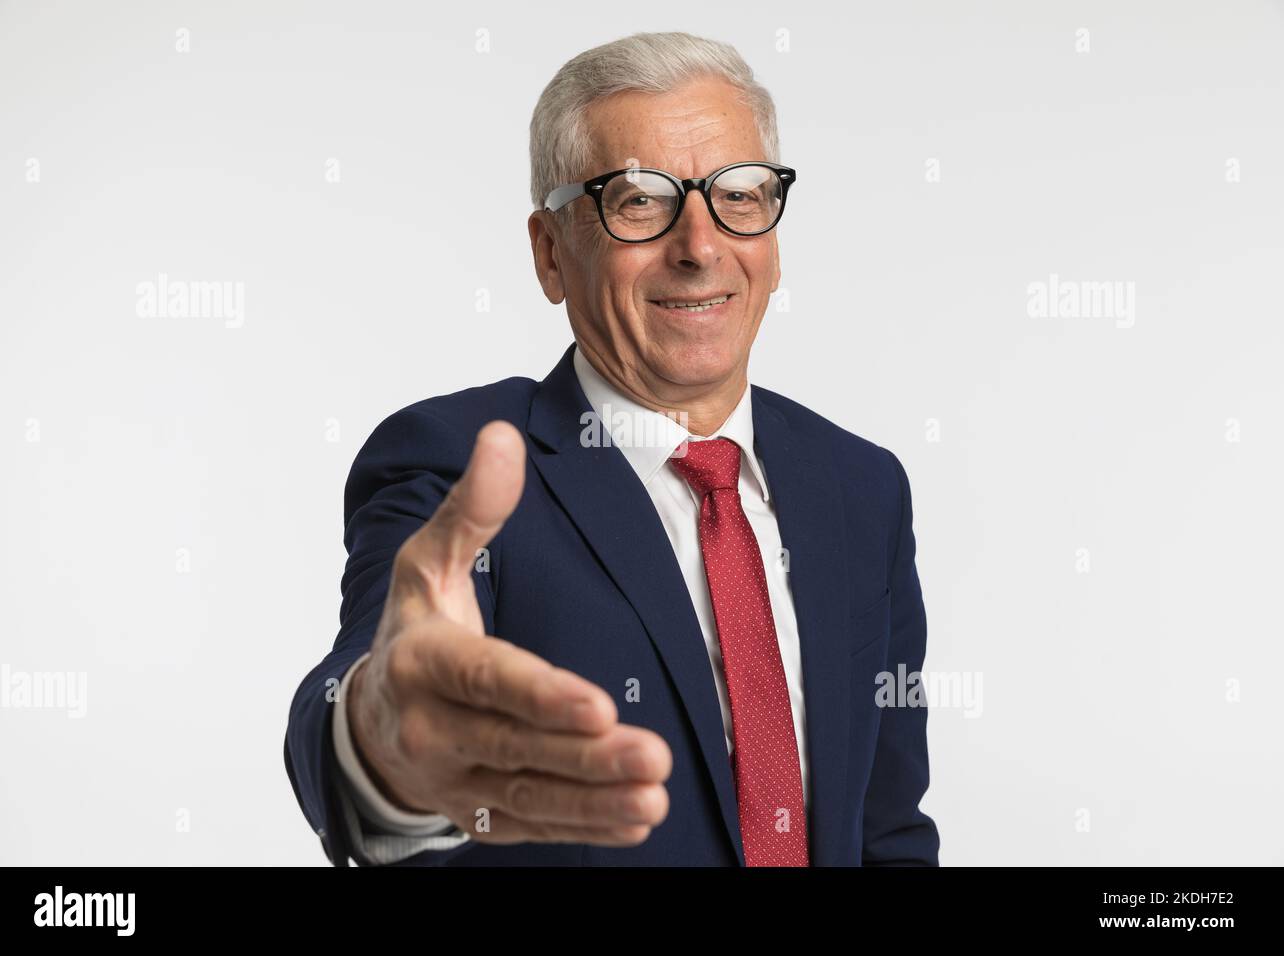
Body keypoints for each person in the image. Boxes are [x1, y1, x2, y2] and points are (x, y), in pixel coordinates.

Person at [284, 31, 940, 867]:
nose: (700, 246)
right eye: (638, 201)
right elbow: (371, 683)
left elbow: (887, 829)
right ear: (551, 253)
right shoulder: (459, 465)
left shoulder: (862, 486)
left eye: (738, 195)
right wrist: (379, 742)